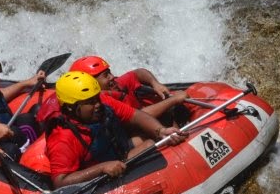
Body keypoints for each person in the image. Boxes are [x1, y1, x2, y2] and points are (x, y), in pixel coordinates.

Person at [45, 71, 185, 188]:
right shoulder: (63, 137)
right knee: (149, 145)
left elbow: (135, 115)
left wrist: (160, 130)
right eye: (90, 102)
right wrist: (101, 168)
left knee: (151, 140)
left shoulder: (103, 103)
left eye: (96, 98)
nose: (97, 105)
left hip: (119, 154)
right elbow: (60, 181)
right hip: (98, 178)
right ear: (71, 108)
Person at [69, 55, 190, 125]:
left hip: (143, 122)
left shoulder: (115, 85)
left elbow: (138, 73)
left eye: (109, 72)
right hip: (130, 136)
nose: (112, 77)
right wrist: (173, 100)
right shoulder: (102, 102)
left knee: (175, 112)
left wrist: (155, 83)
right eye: (106, 76)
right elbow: (142, 116)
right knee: (166, 118)